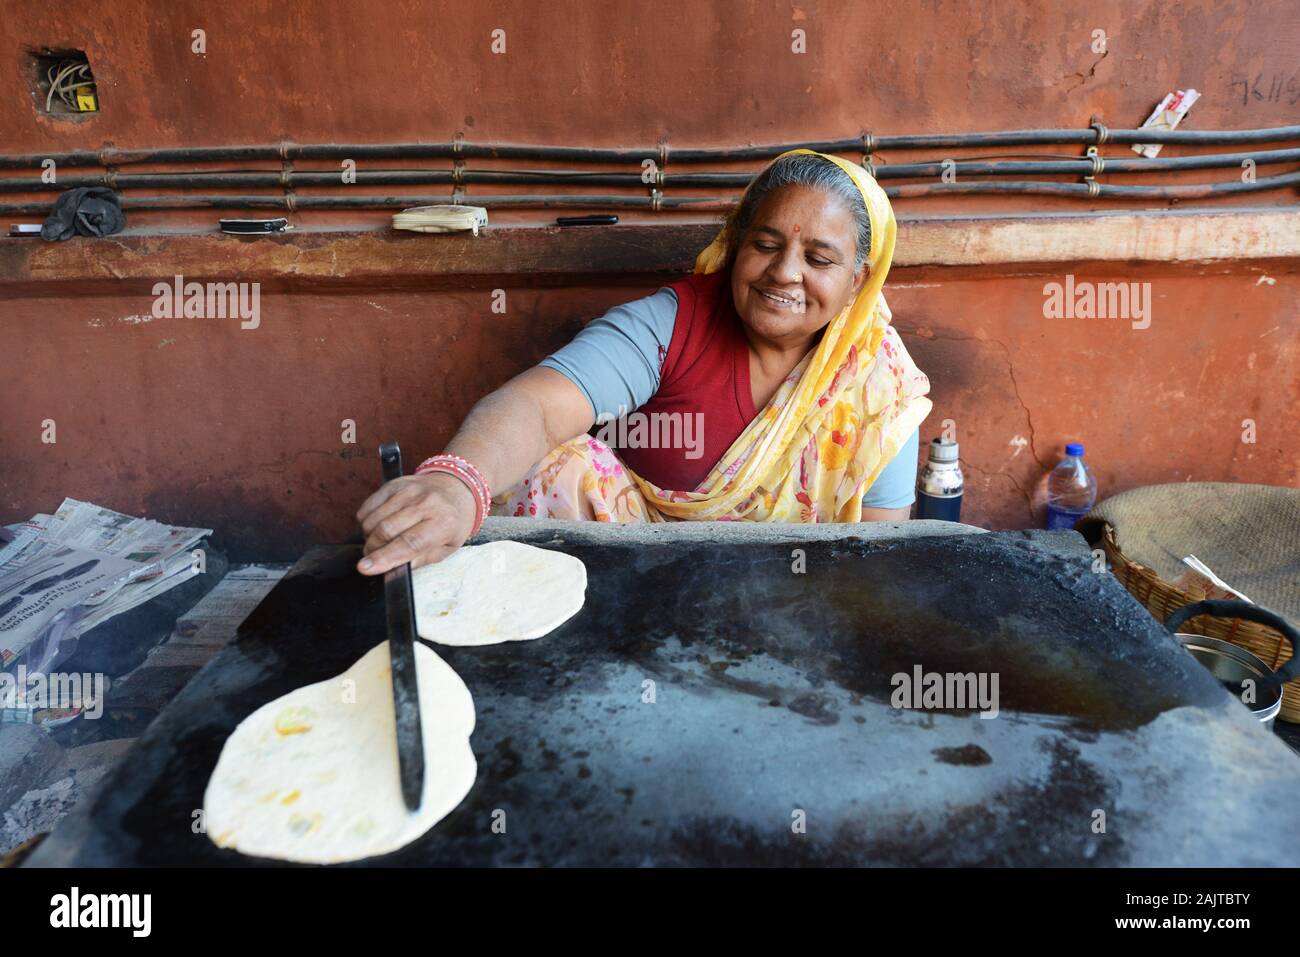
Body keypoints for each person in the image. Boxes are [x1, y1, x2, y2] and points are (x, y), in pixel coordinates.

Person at [357, 148, 931, 575]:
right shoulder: (673, 323)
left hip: (792, 596)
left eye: (819, 257)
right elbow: (536, 406)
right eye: (765, 244)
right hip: (636, 576)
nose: (784, 272)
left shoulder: (879, 386)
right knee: (563, 462)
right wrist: (456, 486)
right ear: (735, 245)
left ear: (858, 281)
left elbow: (878, 556)